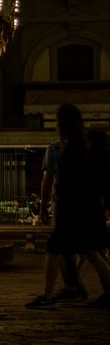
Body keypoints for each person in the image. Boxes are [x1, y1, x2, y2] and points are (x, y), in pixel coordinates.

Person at [26, 104, 110, 309]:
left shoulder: (67, 149)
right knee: (91, 252)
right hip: (85, 210)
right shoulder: (83, 146)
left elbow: (64, 184)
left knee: (56, 250)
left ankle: (48, 296)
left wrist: (54, 207)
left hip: (71, 211)